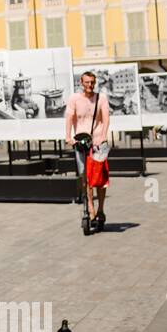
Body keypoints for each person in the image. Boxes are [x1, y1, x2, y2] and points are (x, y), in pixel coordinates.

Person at [64, 71, 111, 233]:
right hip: (81, 142)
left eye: (92, 82)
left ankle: (101, 209)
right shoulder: (74, 99)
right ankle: (90, 206)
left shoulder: (101, 98)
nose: (90, 85)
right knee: (86, 177)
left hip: (98, 142)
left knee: (100, 178)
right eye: (87, 82)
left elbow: (106, 119)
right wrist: (68, 137)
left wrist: (103, 136)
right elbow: (69, 117)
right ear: (81, 83)